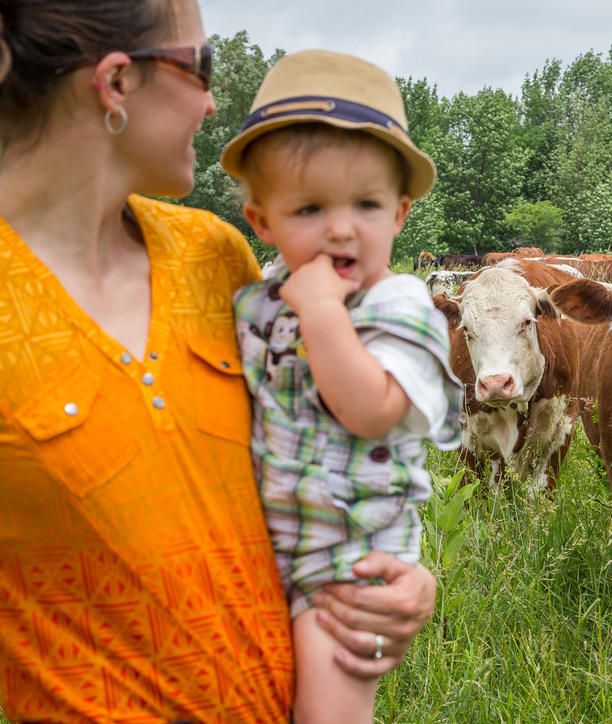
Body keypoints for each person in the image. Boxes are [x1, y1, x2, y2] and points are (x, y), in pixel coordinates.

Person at [0, 2, 436, 722]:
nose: (211, 101)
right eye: (200, 67)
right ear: (115, 83)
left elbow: (313, 458)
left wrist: (405, 580)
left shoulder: (215, 256)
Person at [220, 50, 461, 724]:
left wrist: (323, 315)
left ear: (400, 215)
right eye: (308, 208)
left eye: (366, 203)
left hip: (350, 563)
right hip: (258, 546)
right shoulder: (256, 305)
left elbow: (373, 412)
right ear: (261, 222)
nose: (340, 227)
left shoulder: (403, 306)